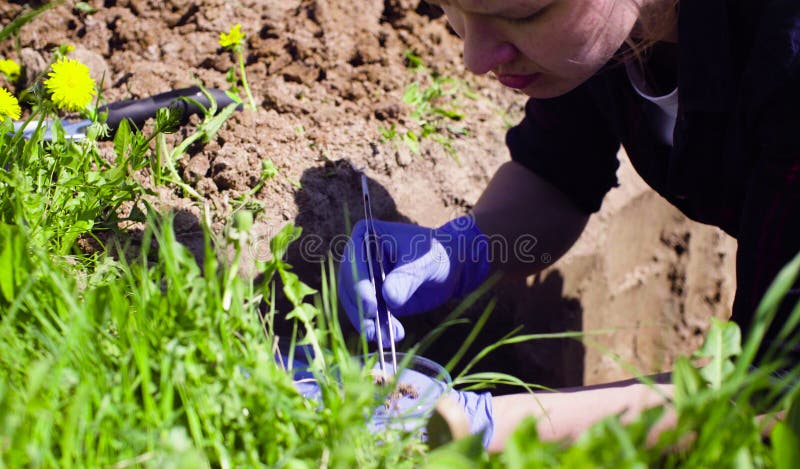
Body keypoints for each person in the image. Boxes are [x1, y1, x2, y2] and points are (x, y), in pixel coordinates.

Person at [338, 0, 800, 451]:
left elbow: (777, 389)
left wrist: (468, 426)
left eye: (524, 14)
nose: (474, 59)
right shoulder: (612, 34)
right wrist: (461, 248)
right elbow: (558, 174)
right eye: (451, 8)